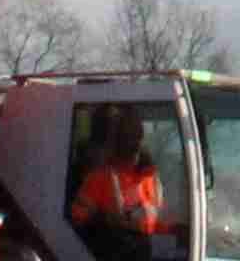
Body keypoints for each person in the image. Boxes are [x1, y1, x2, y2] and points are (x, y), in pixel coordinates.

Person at [69, 101, 168, 261]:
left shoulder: (148, 175)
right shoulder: (95, 177)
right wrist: (103, 219)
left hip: (138, 250)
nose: (134, 143)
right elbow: (77, 220)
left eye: (134, 136)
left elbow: (151, 217)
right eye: (126, 136)